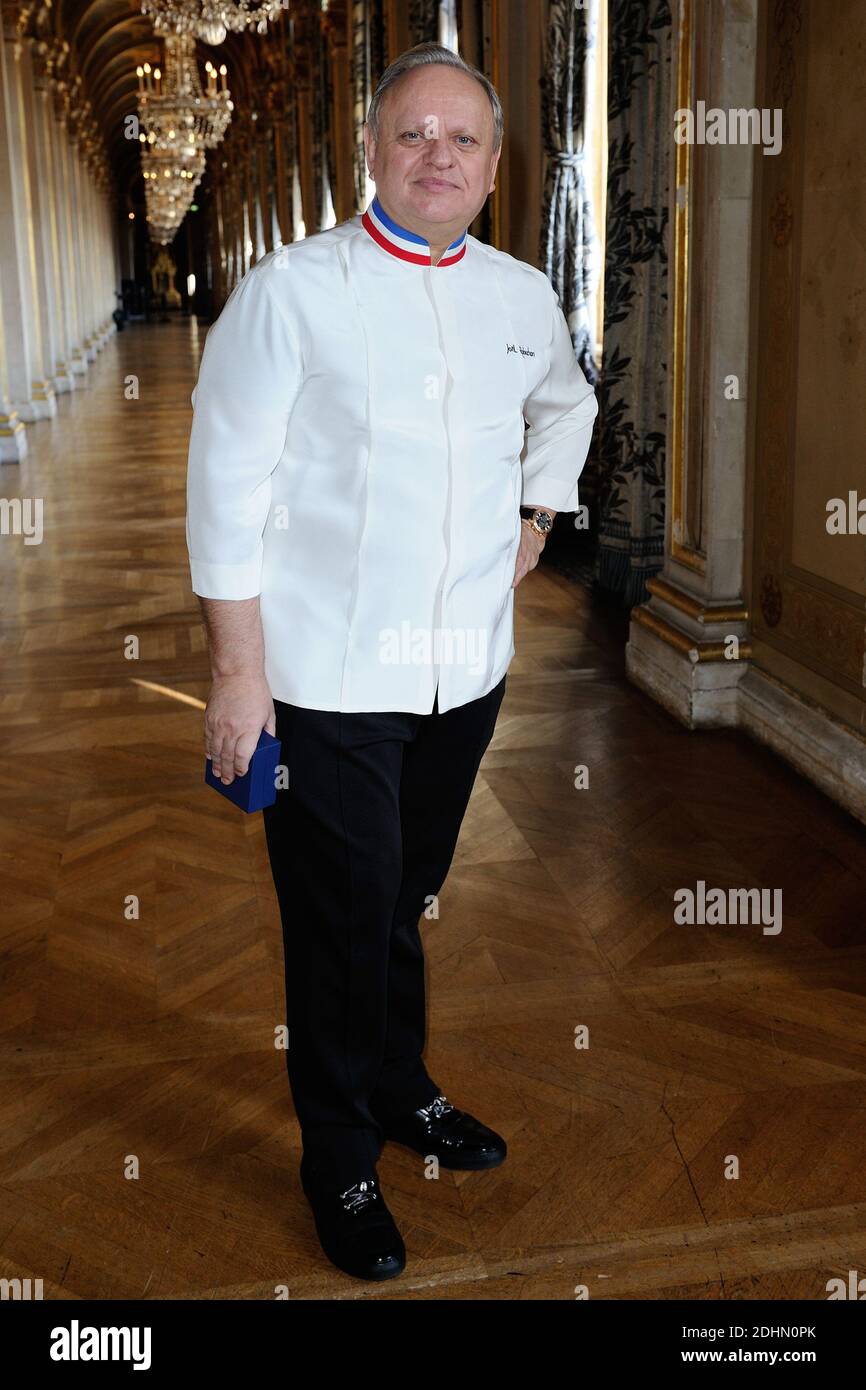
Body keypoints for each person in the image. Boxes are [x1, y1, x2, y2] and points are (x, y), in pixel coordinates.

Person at [185, 41, 598, 1282]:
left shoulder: (523, 293)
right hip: (323, 677)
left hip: (464, 671)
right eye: (411, 133)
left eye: (460, 139)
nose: (437, 155)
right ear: (368, 151)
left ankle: (401, 1084)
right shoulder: (290, 291)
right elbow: (223, 484)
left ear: (492, 165)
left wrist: (536, 517)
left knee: (401, 893)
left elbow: (565, 406)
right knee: (339, 917)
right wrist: (234, 672)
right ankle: (339, 1155)